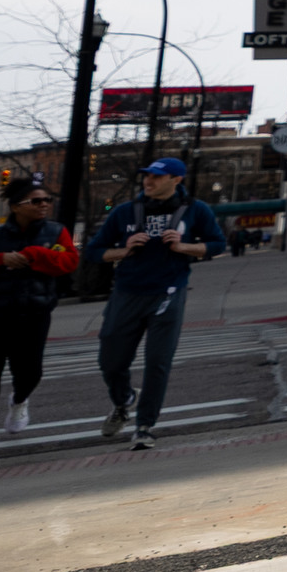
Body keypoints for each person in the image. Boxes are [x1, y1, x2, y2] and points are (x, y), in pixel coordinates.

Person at [96, 157, 228, 449]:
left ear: (176, 180)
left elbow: (218, 244)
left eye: (157, 176)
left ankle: (144, 426)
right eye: (147, 176)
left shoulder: (195, 210)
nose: (149, 181)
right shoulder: (125, 211)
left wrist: (183, 247)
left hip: (169, 292)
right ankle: (124, 400)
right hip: (127, 293)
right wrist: (123, 251)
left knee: (158, 362)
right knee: (110, 363)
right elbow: (94, 251)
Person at [0, 179, 77, 450]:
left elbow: (69, 262)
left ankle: (19, 401)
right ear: (16, 207)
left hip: (34, 313)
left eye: (47, 200)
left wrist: (36, 254)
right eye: (36, 201)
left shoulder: (56, 232)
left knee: (30, 371)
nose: (44, 205)